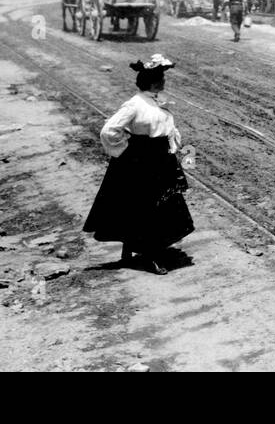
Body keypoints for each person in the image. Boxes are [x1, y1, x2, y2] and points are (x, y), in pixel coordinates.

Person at [83, 55, 194, 275]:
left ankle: (147, 249)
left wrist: (171, 146)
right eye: (161, 78)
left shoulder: (154, 101)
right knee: (146, 208)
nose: (164, 81)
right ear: (153, 81)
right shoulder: (135, 104)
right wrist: (127, 150)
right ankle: (151, 255)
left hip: (160, 160)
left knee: (161, 206)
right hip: (143, 163)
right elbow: (109, 130)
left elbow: (167, 129)